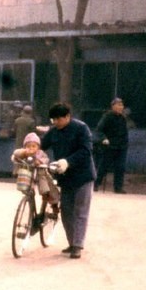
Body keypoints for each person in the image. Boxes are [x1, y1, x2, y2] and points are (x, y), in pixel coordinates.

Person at [40, 102, 96, 259]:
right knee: (66, 211)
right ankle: (72, 243)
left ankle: (77, 245)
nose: (56, 122)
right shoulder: (54, 132)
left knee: (80, 211)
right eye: (53, 120)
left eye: (58, 119)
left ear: (67, 117)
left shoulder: (81, 128)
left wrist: (68, 161)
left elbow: (86, 151)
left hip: (83, 176)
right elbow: (41, 146)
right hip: (65, 177)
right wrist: (27, 151)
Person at [12, 132, 60, 213]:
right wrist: (24, 153)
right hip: (28, 174)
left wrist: (40, 162)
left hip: (39, 174)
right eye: (28, 146)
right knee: (26, 185)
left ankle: (47, 196)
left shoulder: (40, 153)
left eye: (34, 146)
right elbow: (16, 154)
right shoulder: (24, 153)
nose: (31, 148)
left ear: (38, 147)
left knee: (45, 181)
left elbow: (46, 160)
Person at [94, 97, 129, 193]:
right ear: (113, 106)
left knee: (120, 167)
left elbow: (125, 132)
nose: (120, 107)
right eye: (118, 105)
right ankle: (96, 184)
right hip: (109, 146)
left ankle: (118, 187)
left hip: (121, 146)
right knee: (104, 166)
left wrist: (125, 143)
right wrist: (104, 139)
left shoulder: (123, 118)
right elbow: (99, 130)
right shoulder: (107, 117)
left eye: (121, 105)